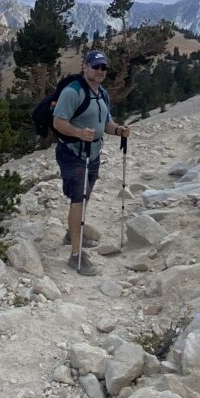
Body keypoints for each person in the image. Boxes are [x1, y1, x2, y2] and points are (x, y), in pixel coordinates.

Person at [53, 48, 130, 276]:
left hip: (93, 152)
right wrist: (78, 133)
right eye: (95, 66)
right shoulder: (73, 92)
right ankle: (76, 255)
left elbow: (105, 121)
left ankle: (72, 233)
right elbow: (58, 122)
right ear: (84, 67)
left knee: (85, 195)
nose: (99, 71)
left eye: (103, 67)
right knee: (78, 199)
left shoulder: (102, 93)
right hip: (73, 152)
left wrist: (117, 129)